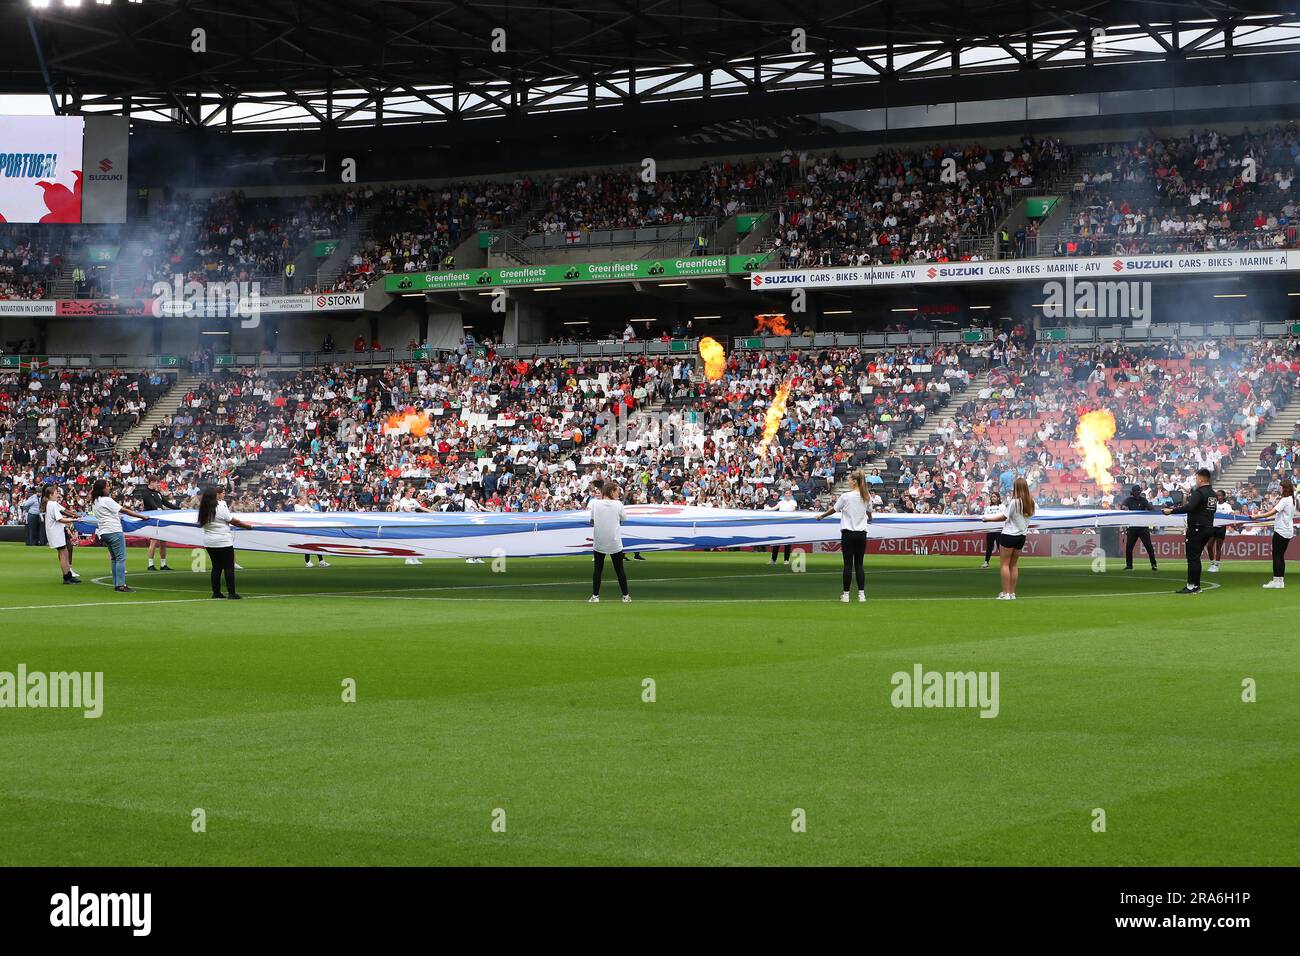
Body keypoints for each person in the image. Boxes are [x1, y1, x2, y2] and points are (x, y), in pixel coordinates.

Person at [816, 471, 873, 603]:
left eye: (849, 480)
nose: (848, 482)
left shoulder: (846, 496)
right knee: (859, 564)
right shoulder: (866, 495)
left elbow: (834, 509)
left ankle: (846, 595)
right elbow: (869, 512)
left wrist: (821, 516)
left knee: (848, 565)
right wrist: (869, 519)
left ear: (854, 481)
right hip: (861, 534)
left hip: (848, 533)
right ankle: (861, 594)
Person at [1163, 468, 1217, 595]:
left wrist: (1171, 511)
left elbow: (1190, 507)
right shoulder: (1213, 494)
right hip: (1208, 527)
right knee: (1196, 557)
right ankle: (1196, 585)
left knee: (1192, 557)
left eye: (1196, 478)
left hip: (1197, 528)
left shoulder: (1199, 492)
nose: (1196, 480)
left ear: (1201, 479)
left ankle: (1191, 586)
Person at [92, 478, 151, 594]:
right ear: (103, 489)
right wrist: (142, 516)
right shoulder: (106, 500)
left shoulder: (95, 502)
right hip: (113, 530)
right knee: (120, 558)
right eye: (107, 486)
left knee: (114, 559)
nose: (109, 488)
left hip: (103, 532)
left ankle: (117, 583)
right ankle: (120, 585)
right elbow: (124, 510)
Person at [982, 476, 1035, 600]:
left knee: (1004, 565)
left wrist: (988, 519)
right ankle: (1012, 593)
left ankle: (1005, 593)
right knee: (1014, 565)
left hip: (1009, 535)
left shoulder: (1014, 502)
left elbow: (1004, 517)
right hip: (1021, 536)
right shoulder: (1030, 502)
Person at [197, 487, 254, 599]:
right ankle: (232, 593)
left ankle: (216, 592)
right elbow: (233, 521)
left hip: (209, 542)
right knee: (229, 567)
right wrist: (248, 527)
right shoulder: (220, 507)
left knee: (216, 567)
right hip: (223, 540)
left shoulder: (203, 509)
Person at [589, 482, 630, 603]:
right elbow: (624, 519)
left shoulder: (596, 504)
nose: (619, 493)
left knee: (597, 569)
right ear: (612, 492)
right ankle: (625, 596)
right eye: (617, 491)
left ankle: (595, 596)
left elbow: (592, 520)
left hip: (599, 540)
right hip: (614, 541)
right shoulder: (618, 504)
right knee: (619, 570)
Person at [1254, 478, 1296, 589]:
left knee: (1277, 556)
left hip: (1281, 531)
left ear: (1284, 488)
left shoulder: (1285, 500)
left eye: (1281, 487)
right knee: (1280, 556)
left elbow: (1271, 513)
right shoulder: (1293, 499)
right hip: (1288, 531)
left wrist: (1256, 516)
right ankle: (1280, 581)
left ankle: (1276, 581)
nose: (1279, 489)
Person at [139, 478, 183, 571]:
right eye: (156, 483)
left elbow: (166, 503)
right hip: (153, 519)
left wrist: (178, 509)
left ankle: (163, 564)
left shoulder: (158, 493)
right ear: (151, 482)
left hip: (161, 518)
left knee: (163, 542)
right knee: (154, 542)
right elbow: (151, 504)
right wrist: (158, 509)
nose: (158, 485)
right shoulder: (146, 492)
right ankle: (150, 564)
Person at [41, 484, 80, 585]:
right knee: (63, 554)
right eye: (55, 493)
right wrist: (73, 519)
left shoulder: (51, 503)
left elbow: (63, 511)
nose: (57, 495)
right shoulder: (52, 504)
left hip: (56, 532)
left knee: (65, 552)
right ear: (50, 495)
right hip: (56, 532)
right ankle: (66, 577)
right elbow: (60, 519)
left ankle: (69, 575)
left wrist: (73, 517)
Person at [1121, 485, 1159, 572]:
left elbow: (1151, 508)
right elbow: (1123, 506)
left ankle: (1154, 564)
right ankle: (1129, 565)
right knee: (1129, 547)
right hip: (1132, 527)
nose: (1137, 493)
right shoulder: (1129, 500)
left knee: (1148, 546)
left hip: (1142, 527)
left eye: (1138, 492)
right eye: (1136, 492)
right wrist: (1124, 508)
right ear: (1133, 492)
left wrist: (1150, 510)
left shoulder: (1143, 500)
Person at [395, 486, 432, 565]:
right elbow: (406, 509)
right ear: (406, 493)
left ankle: (414, 558)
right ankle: (408, 559)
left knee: (415, 541)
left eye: (412, 492)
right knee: (409, 541)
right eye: (410, 492)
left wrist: (431, 511)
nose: (412, 494)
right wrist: (413, 513)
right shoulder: (402, 500)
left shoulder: (413, 500)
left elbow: (421, 508)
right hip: (405, 523)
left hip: (413, 523)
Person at [294, 494, 330, 567]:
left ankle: (321, 561)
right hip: (303, 528)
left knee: (316, 543)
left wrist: (321, 514)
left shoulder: (306, 505)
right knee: (307, 544)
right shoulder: (297, 506)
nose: (306, 500)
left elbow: (313, 511)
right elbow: (305, 512)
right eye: (304, 499)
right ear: (300, 500)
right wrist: (311, 512)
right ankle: (307, 562)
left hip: (311, 527)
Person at [767, 489, 799, 568]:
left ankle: (786, 560)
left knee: (787, 543)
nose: (787, 494)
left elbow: (793, 510)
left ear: (791, 495)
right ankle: (773, 559)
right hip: (780, 524)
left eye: (789, 493)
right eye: (786, 493)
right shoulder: (781, 502)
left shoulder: (793, 502)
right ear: (784, 494)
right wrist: (767, 509)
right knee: (776, 542)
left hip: (788, 524)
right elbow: (774, 508)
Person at [1207, 489, 1232, 573]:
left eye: (1219, 495)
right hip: (1213, 527)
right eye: (1216, 495)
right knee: (1209, 545)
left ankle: (1216, 565)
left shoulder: (1227, 506)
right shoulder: (1213, 504)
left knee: (1218, 547)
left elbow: (1230, 514)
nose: (1217, 497)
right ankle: (1212, 563)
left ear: (1223, 496)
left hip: (1221, 528)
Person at [981, 491, 1003, 568]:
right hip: (990, 529)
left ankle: (1004, 563)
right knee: (989, 546)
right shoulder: (988, 507)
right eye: (992, 497)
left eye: (994, 497)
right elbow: (985, 517)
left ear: (998, 498)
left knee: (1000, 546)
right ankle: (986, 562)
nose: (993, 498)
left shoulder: (1002, 506)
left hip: (999, 529)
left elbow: (1004, 517)